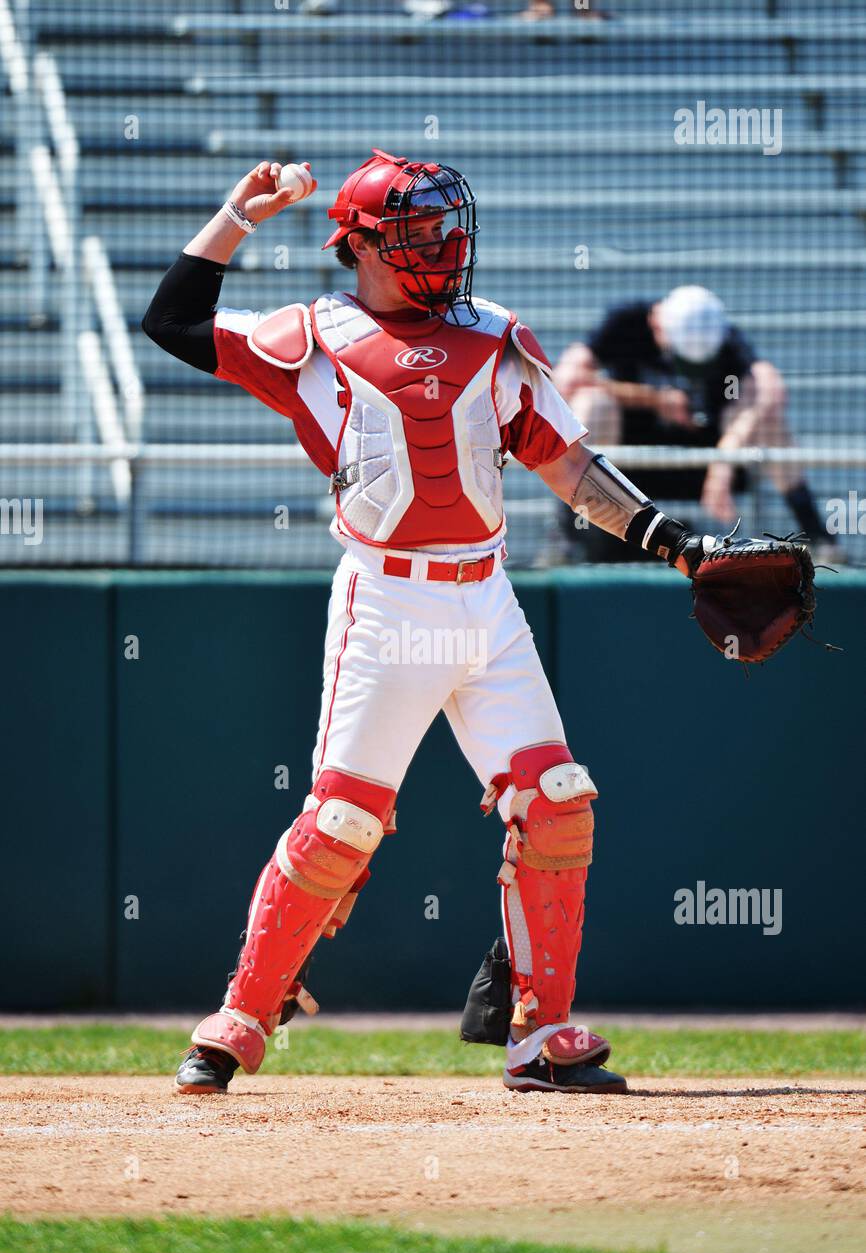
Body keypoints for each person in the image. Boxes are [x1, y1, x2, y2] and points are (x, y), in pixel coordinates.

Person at [143, 151, 724, 1098]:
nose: (446, 246)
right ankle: (241, 1018)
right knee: (341, 823)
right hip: (386, 597)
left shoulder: (495, 338)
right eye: (418, 231)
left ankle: (541, 1034)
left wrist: (675, 540)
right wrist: (236, 216)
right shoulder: (312, 336)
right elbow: (171, 321)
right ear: (361, 243)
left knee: (560, 803)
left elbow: (572, 468)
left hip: (485, 598)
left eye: (448, 227)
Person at [551, 286, 834, 564]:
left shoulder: (723, 339)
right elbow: (565, 380)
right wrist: (653, 399)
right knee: (592, 404)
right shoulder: (626, 324)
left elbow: (772, 389)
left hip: (705, 471)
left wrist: (724, 459)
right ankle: (567, 541)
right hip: (627, 472)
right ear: (659, 329)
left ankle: (821, 540)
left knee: (770, 423)